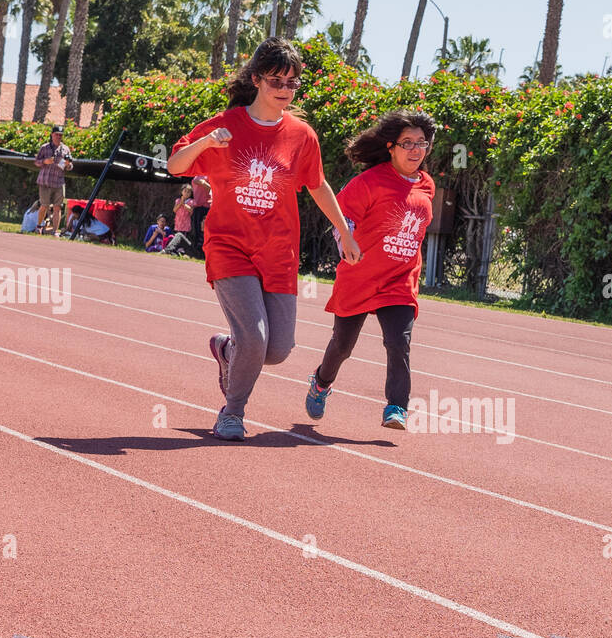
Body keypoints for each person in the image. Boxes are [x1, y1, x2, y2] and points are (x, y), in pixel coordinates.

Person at [167, 36, 361, 441]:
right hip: (229, 247)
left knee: (276, 351)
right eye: (277, 81)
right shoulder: (227, 125)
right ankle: (232, 414)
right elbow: (176, 164)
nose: (285, 90)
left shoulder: (302, 135)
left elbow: (319, 186)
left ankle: (226, 351)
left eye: (292, 83)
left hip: (279, 253)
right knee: (254, 339)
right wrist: (205, 142)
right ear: (256, 79)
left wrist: (344, 231)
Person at [304, 112, 436, 430]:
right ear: (391, 147)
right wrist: (345, 240)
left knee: (398, 342)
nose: (416, 149)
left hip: (399, 280)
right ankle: (321, 382)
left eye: (422, 143)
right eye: (408, 143)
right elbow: (343, 217)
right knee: (343, 345)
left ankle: (396, 407)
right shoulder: (370, 181)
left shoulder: (427, 185)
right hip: (360, 276)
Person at [34, 125, 73, 236]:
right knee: (44, 205)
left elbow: (70, 166)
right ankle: (39, 226)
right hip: (45, 182)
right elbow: (36, 162)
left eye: (60, 135)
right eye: (56, 134)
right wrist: (44, 161)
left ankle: (55, 231)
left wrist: (68, 165)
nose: (58, 136)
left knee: (58, 207)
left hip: (59, 182)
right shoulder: (44, 147)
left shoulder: (65, 149)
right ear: (52, 135)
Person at [164, 184, 196, 254]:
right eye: (185, 191)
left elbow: (191, 210)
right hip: (178, 222)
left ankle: (181, 250)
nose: (187, 193)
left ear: (191, 193)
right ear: (182, 192)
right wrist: (180, 203)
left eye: (189, 192)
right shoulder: (178, 200)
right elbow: (174, 210)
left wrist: (184, 204)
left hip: (185, 224)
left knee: (183, 236)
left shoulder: (191, 201)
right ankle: (175, 248)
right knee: (176, 236)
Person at [190, 174, 211, 255]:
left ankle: (205, 250)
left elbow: (214, 188)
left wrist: (204, 183)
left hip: (208, 206)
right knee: (197, 228)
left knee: (206, 230)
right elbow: (196, 181)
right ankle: (197, 250)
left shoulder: (210, 174)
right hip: (198, 206)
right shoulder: (197, 175)